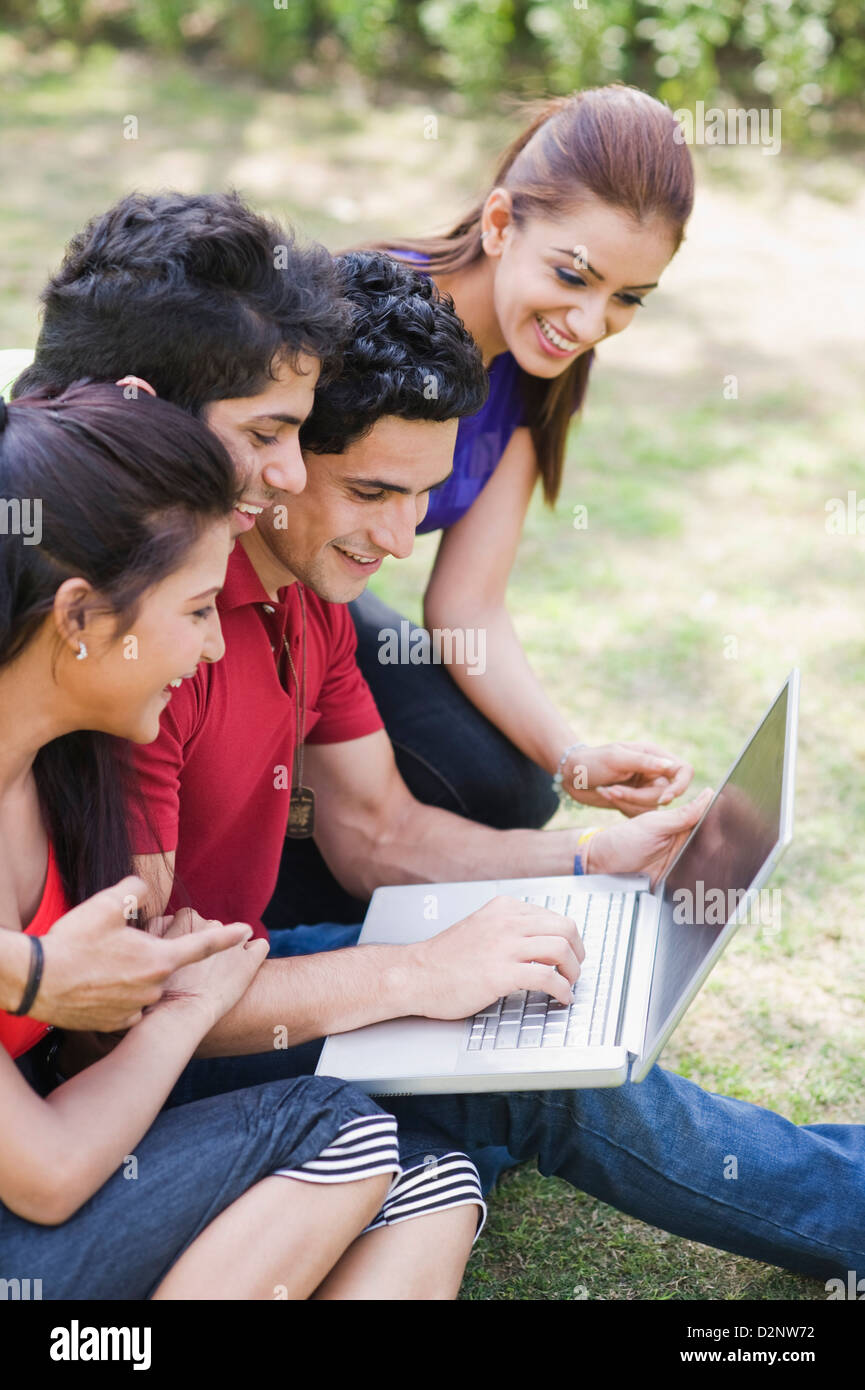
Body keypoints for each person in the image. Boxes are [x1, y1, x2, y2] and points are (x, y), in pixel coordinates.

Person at [19, 197, 864, 1288]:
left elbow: (376, 829)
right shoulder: (159, 641)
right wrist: (413, 974)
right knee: (516, 1064)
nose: (394, 535)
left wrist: (585, 861)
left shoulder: (307, 592)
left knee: (495, 1039)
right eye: (363, 490)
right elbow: (124, 1016)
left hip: (234, 984)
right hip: (154, 1060)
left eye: (419, 499)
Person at [0, 383, 437, 1301]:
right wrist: (187, 1009)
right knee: (342, 1131)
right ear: (78, 618)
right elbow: (47, 1172)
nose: (210, 650)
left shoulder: (60, 769)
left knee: (430, 1183)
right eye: (198, 612)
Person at [347, 84, 696, 836]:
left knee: (515, 794)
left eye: (628, 297)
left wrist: (573, 756)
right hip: (237, 604)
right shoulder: (367, 313)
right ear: (500, 223)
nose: (587, 322)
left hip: (329, 604)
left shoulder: (538, 370)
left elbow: (465, 604)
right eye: (572, 275)